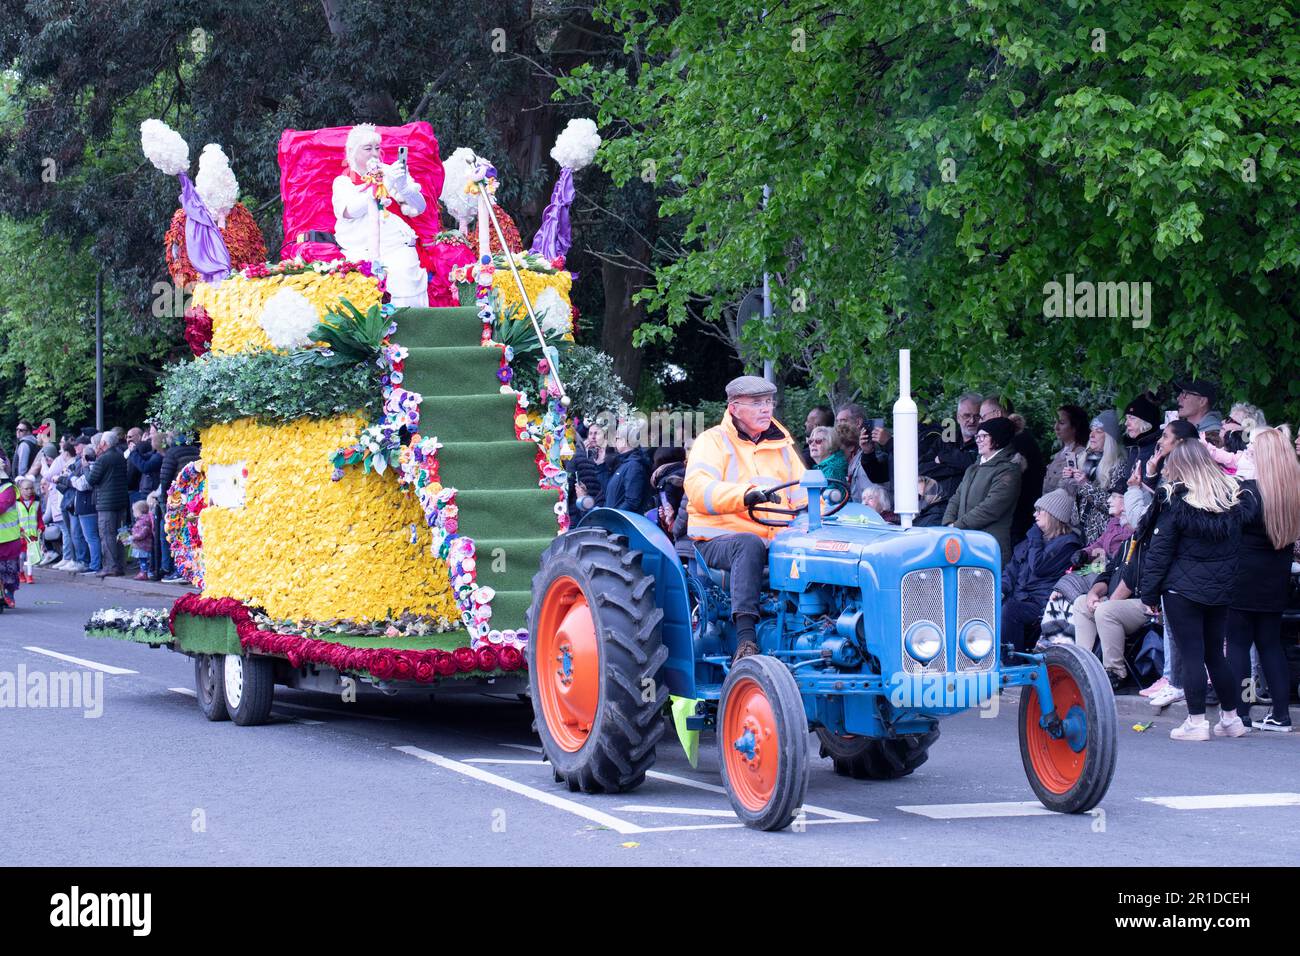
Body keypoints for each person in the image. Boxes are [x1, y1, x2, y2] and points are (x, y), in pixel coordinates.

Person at [684, 375, 806, 660]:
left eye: (768, 402)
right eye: (757, 403)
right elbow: (699, 489)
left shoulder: (782, 446)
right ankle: (746, 640)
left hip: (775, 539)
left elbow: (805, 495)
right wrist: (744, 495)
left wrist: (815, 518)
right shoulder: (712, 442)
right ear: (735, 408)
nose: (766, 409)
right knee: (748, 544)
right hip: (718, 540)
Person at [1137, 440, 1246, 741]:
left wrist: (1148, 595)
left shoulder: (1175, 501)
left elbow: (1160, 553)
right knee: (1215, 654)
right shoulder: (1231, 499)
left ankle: (1196, 722)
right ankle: (1231, 719)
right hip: (1220, 590)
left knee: (1192, 655)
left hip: (1182, 592)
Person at [1226, 428, 1300, 731]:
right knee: (1270, 645)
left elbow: (1229, 529)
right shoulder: (1292, 492)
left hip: (1243, 577)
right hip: (1276, 577)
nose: (1248, 451)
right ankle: (1281, 714)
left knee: (1240, 646)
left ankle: (1242, 711)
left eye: (1252, 448)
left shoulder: (1249, 492)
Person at [332, 123, 430, 307]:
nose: (374, 153)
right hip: (360, 247)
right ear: (353, 151)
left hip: (394, 243)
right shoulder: (343, 182)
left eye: (377, 148)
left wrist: (404, 187)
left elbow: (420, 207)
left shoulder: (390, 171)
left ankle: (412, 328)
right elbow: (351, 210)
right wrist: (383, 183)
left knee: (404, 272)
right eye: (368, 149)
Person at [1000, 488, 1082, 654]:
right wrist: (1000, 589)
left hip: (1042, 603)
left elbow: (1039, 567)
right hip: (1019, 597)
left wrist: (1035, 537)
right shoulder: (1033, 539)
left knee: (1010, 610)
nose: (1034, 515)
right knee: (990, 603)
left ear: (1053, 515)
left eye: (1039, 511)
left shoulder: (1068, 544)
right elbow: (1011, 570)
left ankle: (1011, 664)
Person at [942, 416, 1021, 561]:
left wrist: (956, 527)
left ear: (998, 438)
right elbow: (956, 498)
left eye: (983, 436)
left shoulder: (1009, 471)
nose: (977, 440)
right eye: (977, 436)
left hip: (989, 548)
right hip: (965, 542)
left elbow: (990, 509)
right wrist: (948, 524)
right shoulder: (973, 468)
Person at [981, 395, 1044, 546]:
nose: (980, 422)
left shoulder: (1015, 440)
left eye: (982, 417)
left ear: (996, 414)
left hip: (1017, 518)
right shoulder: (1021, 438)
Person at [88, 431, 129, 577]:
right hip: (121, 501)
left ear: (104, 443)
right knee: (120, 534)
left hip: (107, 503)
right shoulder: (120, 456)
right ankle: (121, 565)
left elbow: (91, 480)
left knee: (107, 534)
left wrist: (86, 467)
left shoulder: (103, 459)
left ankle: (110, 566)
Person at [70, 437, 101, 574]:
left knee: (91, 537)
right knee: (92, 537)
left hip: (88, 506)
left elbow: (83, 485)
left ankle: (95, 564)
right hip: (87, 506)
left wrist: (71, 478)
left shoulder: (90, 468)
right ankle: (95, 563)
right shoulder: (91, 467)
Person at [603, 425, 653, 513]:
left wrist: (613, 517)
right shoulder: (625, 463)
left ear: (625, 441)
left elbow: (632, 502)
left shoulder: (634, 465)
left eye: (617, 438)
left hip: (621, 523)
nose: (615, 441)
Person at [1042, 404, 1090, 494]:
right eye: (1055, 422)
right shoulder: (1061, 452)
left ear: (1075, 427)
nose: (1056, 427)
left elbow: (1072, 490)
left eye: (1061, 423)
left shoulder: (1081, 454)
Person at [0, 461, 23, 609]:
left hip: (8, 539)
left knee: (9, 571)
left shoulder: (8, 489)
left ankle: (9, 594)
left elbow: (1, 507)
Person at [649, 446, 686, 537]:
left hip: (675, 536)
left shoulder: (666, 482)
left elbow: (668, 514)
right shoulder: (686, 474)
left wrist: (665, 520)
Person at [14, 476, 41, 584]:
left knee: (31, 555)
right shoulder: (16, 502)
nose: (29, 491)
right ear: (20, 489)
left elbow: (39, 516)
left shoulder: (36, 501)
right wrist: (18, 529)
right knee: (21, 556)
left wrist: (41, 527)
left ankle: (30, 575)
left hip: (33, 534)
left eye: (31, 488)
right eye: (26, 489)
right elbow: (14, 518)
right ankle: (20, 572)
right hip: (20, 534)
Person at [129, 500, 155, 581]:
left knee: (143, 560)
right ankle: (144, 572)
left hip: (143, 545)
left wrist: (133, 537)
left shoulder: (143, 521)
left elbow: (142, 533)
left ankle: (144, 573)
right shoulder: (142, 520)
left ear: (139, 511)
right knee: (142, 560)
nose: (133, 513)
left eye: (134, 511)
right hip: (142, 544)